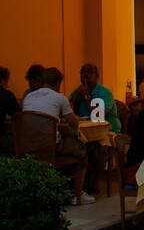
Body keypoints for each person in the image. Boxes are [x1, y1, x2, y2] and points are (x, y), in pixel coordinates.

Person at [23, 67, 92, 206]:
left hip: (27, 146)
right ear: (57, 83)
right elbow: (74, 123)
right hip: (50, 145)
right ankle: (77, 195)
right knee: (81, 151)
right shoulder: (59, 97)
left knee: (68, 144)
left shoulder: (28, 97)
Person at [68, 63, 122, 133]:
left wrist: (87, 96)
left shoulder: (105, 93)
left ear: (97, 76)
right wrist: (75, 96)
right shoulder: (77, 91)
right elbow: (68, 111)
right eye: (82, 72)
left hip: (107, 131)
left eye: (89, 72)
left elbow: (98, 116)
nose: (85, 75)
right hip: (84, 130)